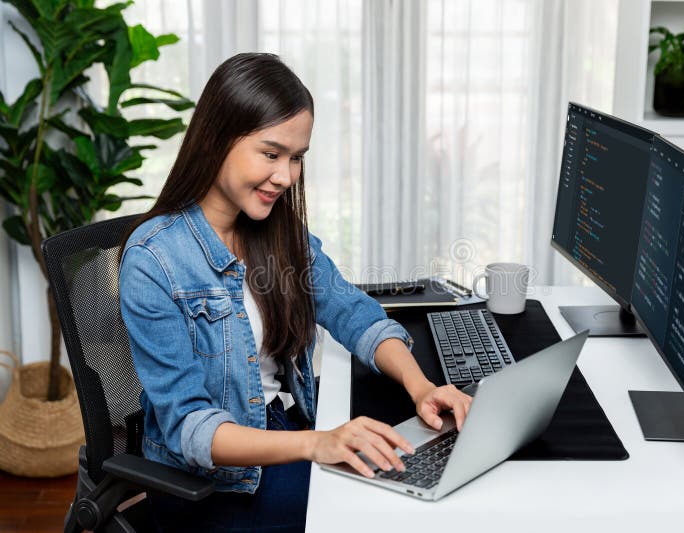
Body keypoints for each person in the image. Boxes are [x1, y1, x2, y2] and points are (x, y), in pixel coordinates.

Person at [118, 52, 472, 532]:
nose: (286, 177)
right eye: (271, 154)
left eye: (296, 157)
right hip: (214, 485)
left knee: (420, 459)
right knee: (384, 505)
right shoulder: (153, 259)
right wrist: (317, 444)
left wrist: (423, 387)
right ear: (217, 139)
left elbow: (354, 313)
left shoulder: (277, 230)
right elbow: (191, 429)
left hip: (283, 427)